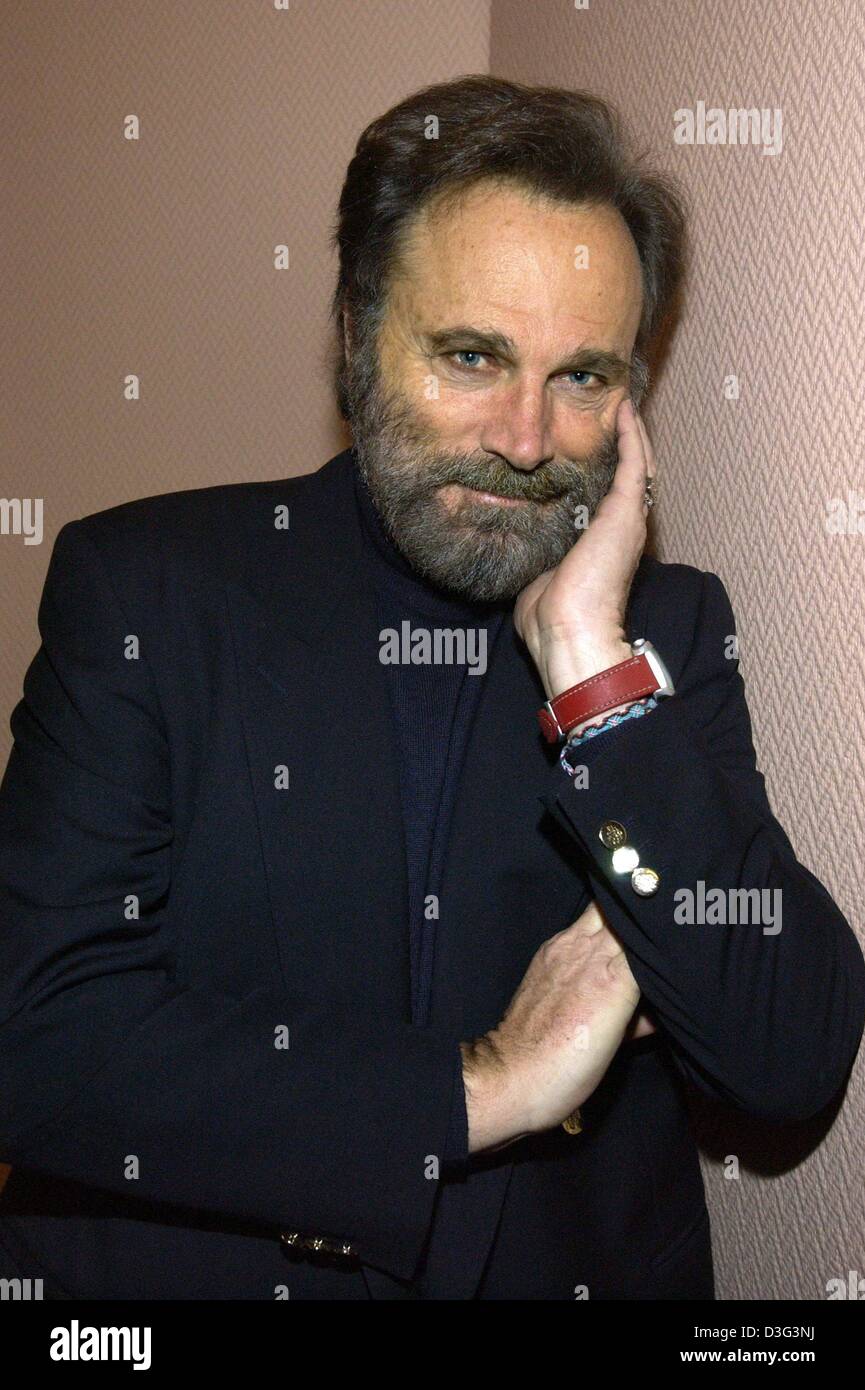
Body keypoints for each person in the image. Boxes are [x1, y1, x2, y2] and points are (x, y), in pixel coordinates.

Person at [0, 76, 862, 1301]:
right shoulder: (149, 591)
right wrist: (489, 1084)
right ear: (354, 330)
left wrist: (590, 670)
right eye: (471, 356)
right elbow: (37, 1039)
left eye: (583, 379)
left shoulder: (661, 634)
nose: (524, 437)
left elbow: (787, 1056)